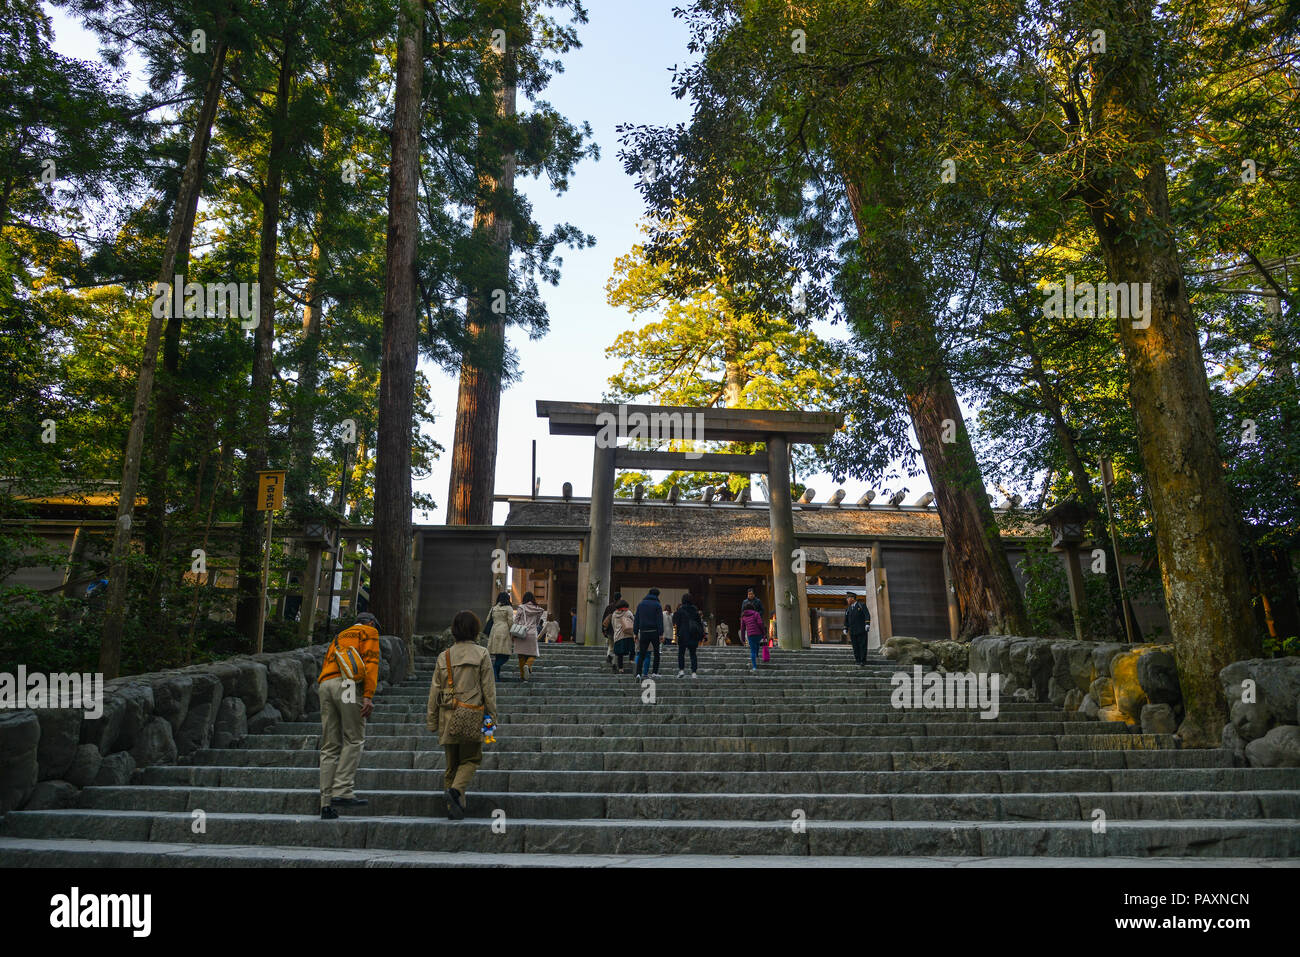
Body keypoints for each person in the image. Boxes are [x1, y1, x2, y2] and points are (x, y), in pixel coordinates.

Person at [427, 610, 497, 821]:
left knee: (451, 766)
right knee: (471, 759)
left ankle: (454, 808)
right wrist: (491, 718)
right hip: (472, 714)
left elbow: (434, 691)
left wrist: (431, 719)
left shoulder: (444, 656)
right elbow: (488, 690)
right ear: (475, 630)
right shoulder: (482, 654)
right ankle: (457, 792)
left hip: (448, 716)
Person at [318, 611, 380, 819]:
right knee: (354, 738)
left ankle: (326, 803)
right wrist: (368, 696)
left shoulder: (340, 636)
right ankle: (343, 789)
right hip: (347, 685)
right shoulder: (368, 632)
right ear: (370, 623)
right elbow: (371, 664)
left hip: (325, 685)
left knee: (329, 745)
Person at [513, 592, 545, 681]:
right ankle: (528, 665)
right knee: (533, 654)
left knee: (521, 655)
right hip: (532, 633)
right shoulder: (537, 609)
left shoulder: (521, 608)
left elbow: (516, 621)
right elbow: (537, 622)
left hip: (521, 633)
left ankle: (523, 676)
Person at [633, 587, 665, 678]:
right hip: (654, 632)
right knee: (656, 653)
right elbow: (659, 620)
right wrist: (661, 634)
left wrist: (635, 632)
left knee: (642, 653)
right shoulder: (657, 605)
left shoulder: (641, 604)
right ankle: (654, 672)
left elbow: (637, 619)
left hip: (643, 632)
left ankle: (638, 673)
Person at [673, 592, 706, 678]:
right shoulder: (695, 610)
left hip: (683, 635)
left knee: (681, 653)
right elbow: (699, 623)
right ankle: (694, 672)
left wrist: (678, 634)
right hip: (693, 634)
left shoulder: (680, 610)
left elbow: (677, 623)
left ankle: (681, 671)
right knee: (693, 654)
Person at [485, 591, 514, 681]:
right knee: (505, 655)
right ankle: (495, 668)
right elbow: (510, 621)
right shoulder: (509, 608)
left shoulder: (493, 608)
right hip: (504, 630)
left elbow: (487, 620)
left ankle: (496, 676)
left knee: (498, 654)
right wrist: (512, 632)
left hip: (494, 630)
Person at [845, 592, 872, 667]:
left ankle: (863, 660)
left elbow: (867, 615)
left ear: (852, 598)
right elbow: (846, 619)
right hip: (853, 630)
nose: (847, 600)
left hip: (861, 629)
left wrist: (867, 624)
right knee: (855, 646)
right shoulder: (848, 609)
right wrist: (845, 627)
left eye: (848, 598)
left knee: (862, 645)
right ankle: (857, 660)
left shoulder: (861, 605)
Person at [610, 598, 635, 673]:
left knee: (619, 654)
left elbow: (613, 624)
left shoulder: (614, 614)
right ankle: (631, 660)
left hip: (618, 635)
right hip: (628, 634)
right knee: (632, 649)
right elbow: (633, 621)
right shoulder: (628, 613)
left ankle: (621, 669)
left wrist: (617, 631)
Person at [740, 603, 765, 674]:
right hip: (758, 633)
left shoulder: (743, 617)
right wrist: (763, 632)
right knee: (757, 644)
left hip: (750, 635)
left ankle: (754, 667)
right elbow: (760, 623)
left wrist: (743, 639)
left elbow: (742, 629)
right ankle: (757, 656)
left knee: (752, 650)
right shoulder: (756, 614)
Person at [600, 591, 623, 662]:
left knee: (610, 644)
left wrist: (603, 630)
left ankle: (609, 655)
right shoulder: (622, 608)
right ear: (620, 598)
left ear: (613, 598)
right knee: (617, 646)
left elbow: (604, 619)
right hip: (619, 629)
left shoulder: (609, 607)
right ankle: (614, 661)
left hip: (610, 629)